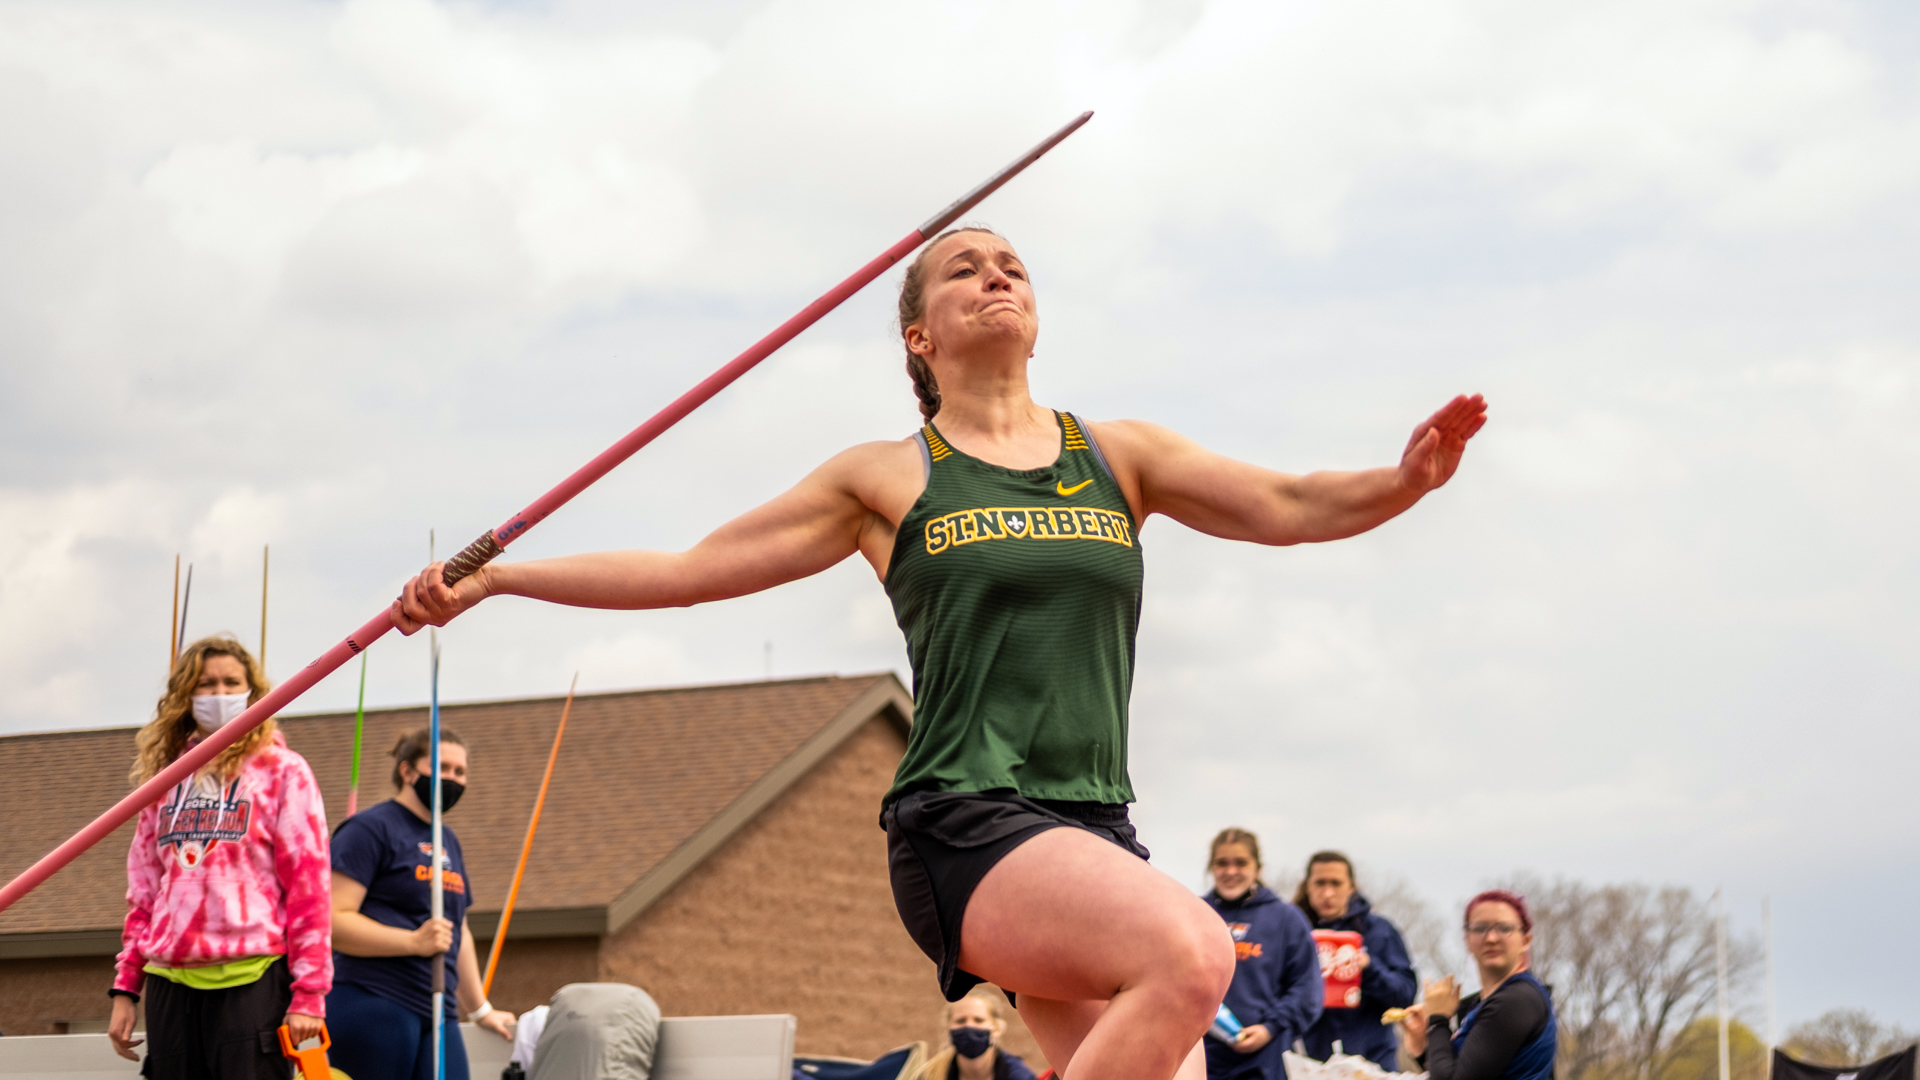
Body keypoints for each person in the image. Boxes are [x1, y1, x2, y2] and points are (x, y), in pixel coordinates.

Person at [392, 226, 1487, 1080]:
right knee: (1194, 956)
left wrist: (1403, 484)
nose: (995, 277)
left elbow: (1289, 503)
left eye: (1013, 265)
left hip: (1091, 824)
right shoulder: (886, 478)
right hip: (965, 820)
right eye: (964, 272)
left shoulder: (1119, 456)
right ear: (920, 335)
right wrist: (497, 579)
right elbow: (687, 567)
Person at [107, 636, 332, 1080]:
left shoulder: (283, 771)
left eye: (232, 683)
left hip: (252, 978)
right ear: (185, 698)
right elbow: (145, 894)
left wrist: (309, 995)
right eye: (206, 684)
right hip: (171, 983)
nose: (220, 693)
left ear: (252, 692)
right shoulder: (164, 779)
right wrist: (125, 988)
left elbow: (309, 890)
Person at [326, 728, 516, 1080]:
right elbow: (333, 921)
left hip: (439, 1010)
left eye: (460, 771)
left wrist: (480, 1009)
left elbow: (457, 931)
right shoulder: (369, 829)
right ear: (407, 771)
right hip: (374, 1001)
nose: (452, 778)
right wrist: (412, 941)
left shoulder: (448, 841)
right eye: (442, 767)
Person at [1200, 829, 1321, 1080]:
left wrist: (1270, 1028)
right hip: (1201, 1058)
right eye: (1222, 863)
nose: (1231, 871)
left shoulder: (1286, 918)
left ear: (1257, 868)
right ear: (1211, 867)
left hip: (1265, 1061)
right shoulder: (1195, 913)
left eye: (1241, 863)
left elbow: (1307, 989)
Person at [1398, 891, 1556, 1080]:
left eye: (1504, 928)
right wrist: (1424, 1047)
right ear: (1467, 940)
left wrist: (1437, 1022)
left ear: (1525, 940)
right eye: (1480, 928)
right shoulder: (1483, 1004)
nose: (1491, 938)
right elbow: (1458, 1071)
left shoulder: (1516, 1001)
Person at [1295, 851, 1418, 1070]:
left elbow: (1405, 995)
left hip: (1373, 1063)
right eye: (1320, 883)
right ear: (1307, 887)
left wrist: (1368, 968)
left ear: (1351, 887)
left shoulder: (1379, 931)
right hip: (1313, 1064)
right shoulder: (1295, 932)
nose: (1328, 893)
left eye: (1336, 883)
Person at [915, 989, 1039, 1080]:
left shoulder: (1019, 1076)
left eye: (979, 1020)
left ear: (996, 1029)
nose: (969, 1026)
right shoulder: (931, 1075)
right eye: (961, 1020)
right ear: (948, 1028)